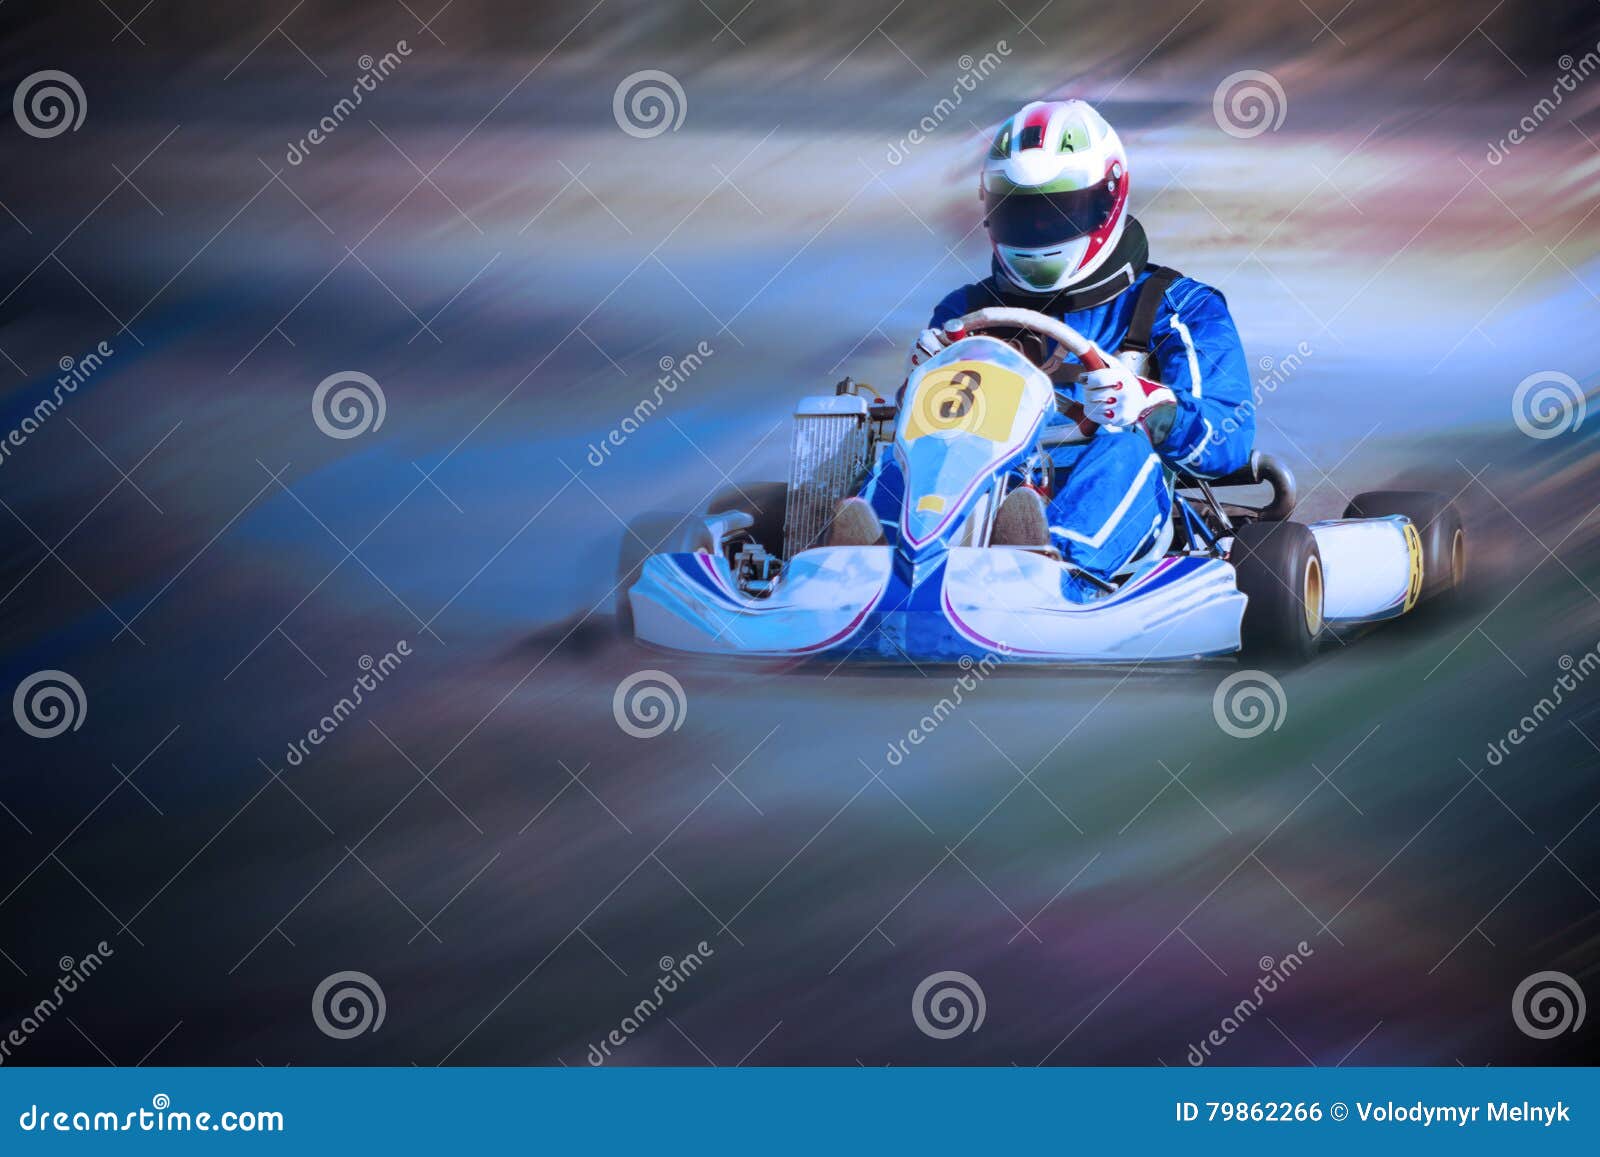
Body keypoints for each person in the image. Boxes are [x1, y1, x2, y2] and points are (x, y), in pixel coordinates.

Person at [834, 98, 1254, 601]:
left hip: (1123, 499)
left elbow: (1230, 440)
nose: (1038, 231)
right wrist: (919, 384)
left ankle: (1052, 572)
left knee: (1125, 442)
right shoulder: (966, 309)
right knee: (911, 449)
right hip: (985, 488)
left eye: (1059, 211)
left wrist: (1151, 407)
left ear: (1108, 199)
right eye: (1022, 213)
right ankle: (861, 569)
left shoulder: (1176, 306)